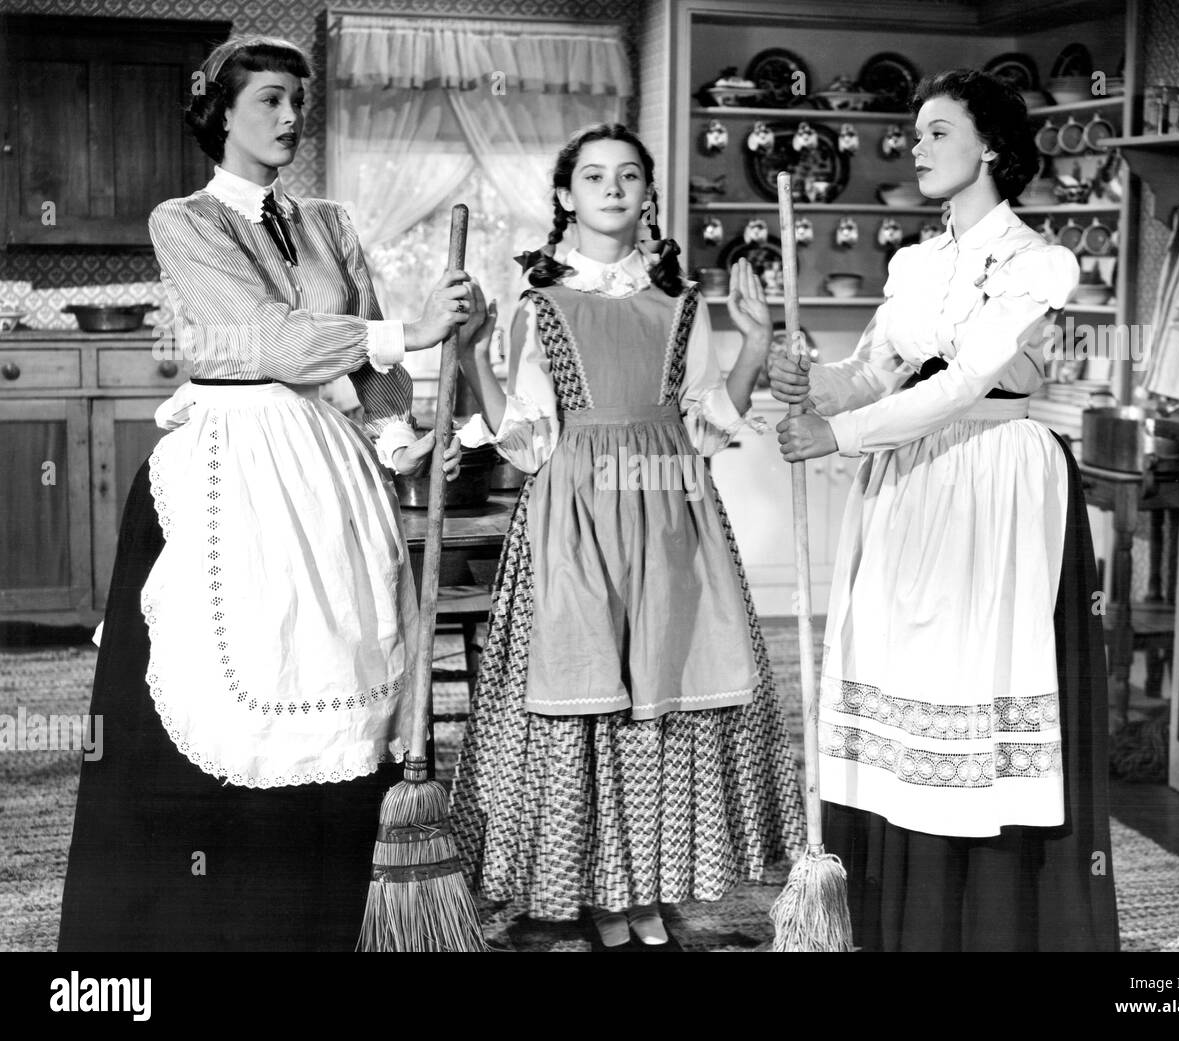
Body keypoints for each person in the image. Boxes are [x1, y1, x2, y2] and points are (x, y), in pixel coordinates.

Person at [58, 34, 478, 951]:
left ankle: (321, 910)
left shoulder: (330, 222)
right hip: (228, 471)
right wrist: (409, 329)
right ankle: (204, 919)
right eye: (271, 102)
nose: (291, 118)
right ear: (222, 113)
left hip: (326, 471)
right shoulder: (188, 222)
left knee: (339, 669)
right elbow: (272, 341)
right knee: (224, 674)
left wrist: (403, 437)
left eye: (298, 102)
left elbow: (371, 371)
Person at [771, 69, 1119, 952]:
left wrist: (840, 434)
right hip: (911, 483)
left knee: (974, 683)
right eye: (916, 135)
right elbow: (874, 372)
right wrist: (807, 383)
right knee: (903, 685)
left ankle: (987, 920)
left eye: (934, 133)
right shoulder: (914, 263)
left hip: (994, 482)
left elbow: (966, 383)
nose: (914, 148)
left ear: (991, 146)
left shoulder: (1042, 263)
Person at [447, 123, 804, 949]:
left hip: (672, 510)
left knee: (663, 696)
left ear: (647, 196)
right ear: (566, 196)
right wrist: (472, 361)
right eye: (595, 176)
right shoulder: (539, 307)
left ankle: (647, 889)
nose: (613, 188)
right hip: (574, 516)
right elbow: (527, 436)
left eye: (630, 175)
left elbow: (711, 422)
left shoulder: (681, 305)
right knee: (587, 695)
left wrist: (752, 346)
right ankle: (598, 893)